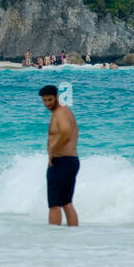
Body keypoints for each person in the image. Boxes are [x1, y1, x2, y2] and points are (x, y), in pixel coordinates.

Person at [39, 85, 79, 226]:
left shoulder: (60, 113)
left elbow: (67, 133)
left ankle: (53, 241)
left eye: (50, 100)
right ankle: (71, 237)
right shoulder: (65, 112)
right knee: (66, 202)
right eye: (44, 101)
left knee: (54, 204)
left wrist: (53, 151)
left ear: (56, 97)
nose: (47, 103)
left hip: (62, 161)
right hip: (71, 161)